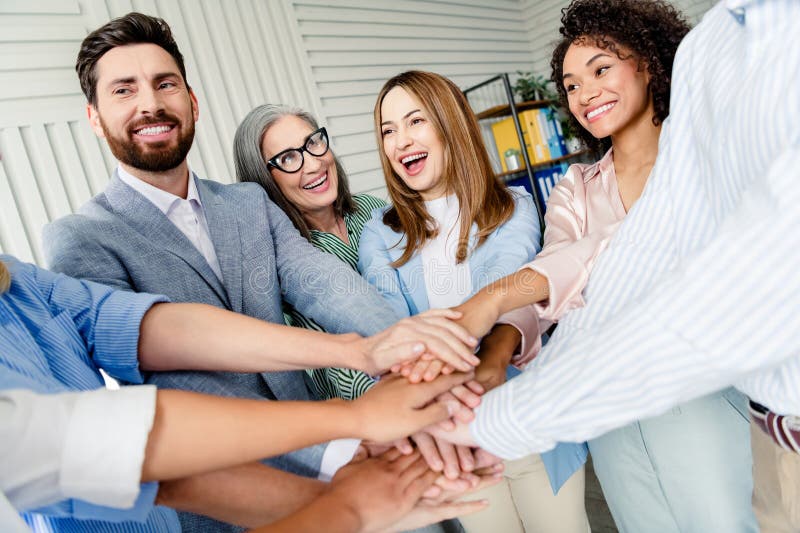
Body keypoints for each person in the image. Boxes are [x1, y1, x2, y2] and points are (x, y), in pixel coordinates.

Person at [40, 12, 480, 533]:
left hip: (346, 448)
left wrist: (413, 357)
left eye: (165, 84)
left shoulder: (248, 203)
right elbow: (166, 371)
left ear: (191, 101)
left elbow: (322, 281)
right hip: (232, 497)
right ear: (94, 117)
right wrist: (333, 447)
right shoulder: (80, 238)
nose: (149, 104)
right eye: (123, 90)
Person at [434, 0, 800, 532]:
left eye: (601, 69)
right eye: (571, 86)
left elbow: (626, 253)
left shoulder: (699, 156)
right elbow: (558, 274)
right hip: (607, 417)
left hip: (701, 396)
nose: (585, 94)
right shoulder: (575, 189)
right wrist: (496, 349)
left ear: (648, 64)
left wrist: (493, 297)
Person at [0, 256, 486, 532]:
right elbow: (124, 443)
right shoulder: (83, 235)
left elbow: (164, 477)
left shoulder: (17, 279)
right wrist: (351, 444)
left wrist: (360, 352)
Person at [359, 70, 589, 533]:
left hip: (529, 418)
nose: (401, 140)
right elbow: (390, 329)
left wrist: (446, 341)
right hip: (452, 439)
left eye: (415, 121)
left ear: (450, 125)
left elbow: (499, 286)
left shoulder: (513, 207)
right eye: (388, 130)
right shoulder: (379, 235)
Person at [233, 104, 387, 401]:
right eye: (289, 157)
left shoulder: (372, 209)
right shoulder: (281, 270)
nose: (314, 164)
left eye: (313, 143)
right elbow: (328, 370)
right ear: (264, 180)